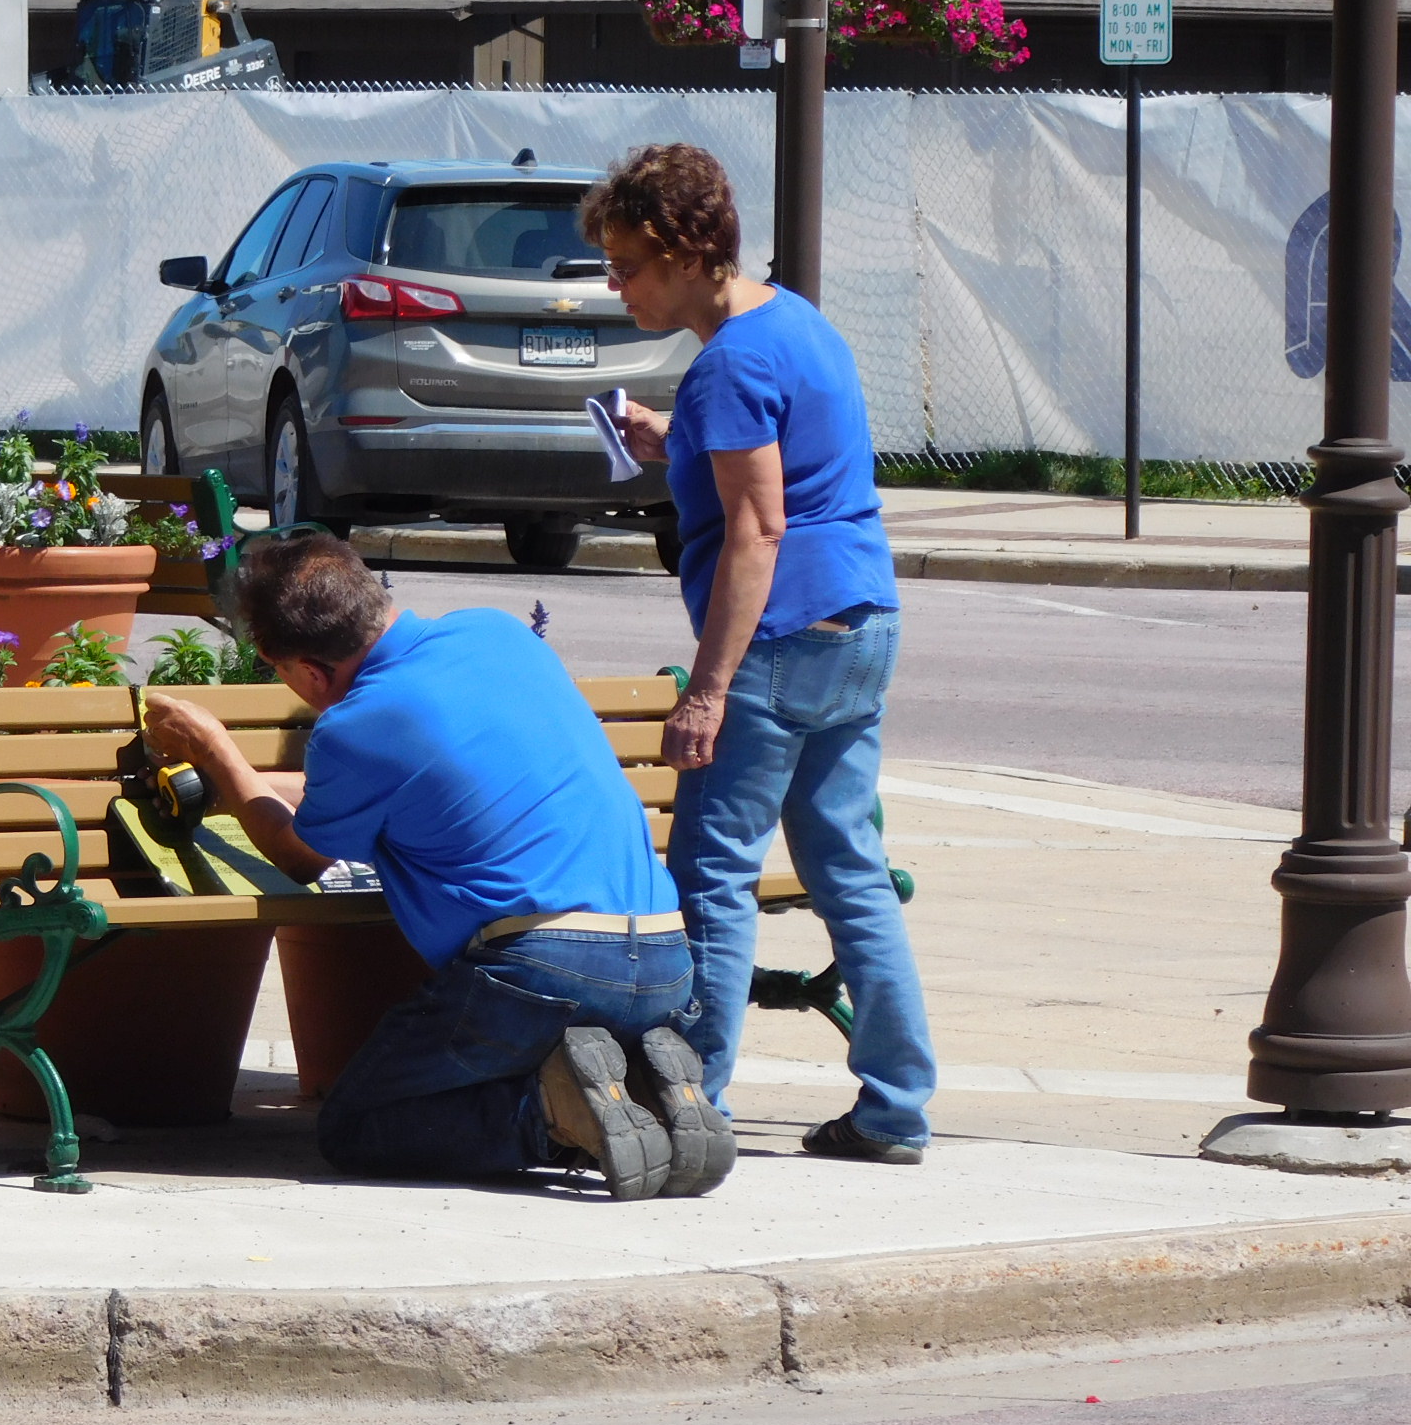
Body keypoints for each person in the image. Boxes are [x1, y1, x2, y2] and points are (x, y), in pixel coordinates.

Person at [143, 532, 734, 1201]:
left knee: (357, 1125)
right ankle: (648, 1092)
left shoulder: (357, 726)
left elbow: (297, 856)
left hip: (542, 971)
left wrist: (215, 748)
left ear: (310, 672)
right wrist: (244, 781)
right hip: (664, 958)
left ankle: (551, 1113)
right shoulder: (498, 635)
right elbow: (407, 776)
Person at [581, 142, 937, 1164]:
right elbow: (789, 466)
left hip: (779, 636)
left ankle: (695, 1103)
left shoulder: (728, 365)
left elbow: (759, 528)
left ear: (685, 251)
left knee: (711, 874)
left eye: (628, 266)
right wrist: (674, 440)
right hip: (862, 619)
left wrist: (707, 691)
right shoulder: (795, 324)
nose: (617, 287)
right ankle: (896, 1108)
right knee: (850, 872)